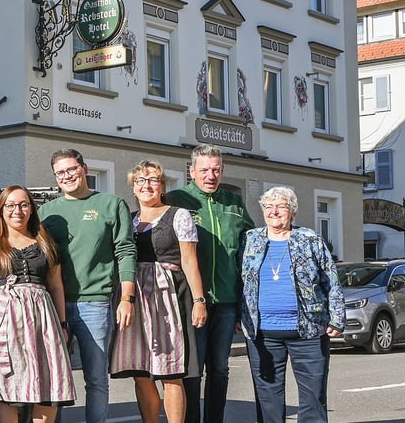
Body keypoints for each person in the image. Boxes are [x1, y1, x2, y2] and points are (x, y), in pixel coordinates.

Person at [37, 148, 136, 423]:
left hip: (95, 303)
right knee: (54, 377)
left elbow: (126, 252)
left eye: (71, 169)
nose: (67, 176)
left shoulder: (111, 204)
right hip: (54, 305)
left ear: (84, 168)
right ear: (56, 178)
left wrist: (127, 298)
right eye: (61, 173)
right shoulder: (47, 211)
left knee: (96, 379)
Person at [0, 185, 74, 423]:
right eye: (11, 205)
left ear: (32, 209)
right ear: (1, 210)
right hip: (3, 327)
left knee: (47, 386)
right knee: (6, 390)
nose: (18, 211)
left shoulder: (45, 243)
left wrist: (63, 324)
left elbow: (56, 286)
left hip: (43, 324)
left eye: (24, 204)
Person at [163, 144, 254, 423]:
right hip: (190, 300)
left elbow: (250, 247)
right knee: (192, 369)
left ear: (222, 170)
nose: (210, 175)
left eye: (216, 169)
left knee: (219, 368)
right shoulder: (176, 199)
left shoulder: (234, 203)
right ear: (191, 171)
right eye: (204, 170)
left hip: (226, 300)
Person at [111, 160, 207, 423]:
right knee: (141, 371)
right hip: (135, 296)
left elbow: (189, 260)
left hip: (169, 296)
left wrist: (199, 300)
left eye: (153, 180)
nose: (147, 185)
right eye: (140, 181)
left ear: (162, 186)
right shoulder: (128, 219)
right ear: (133, 188)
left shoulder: (179, 215)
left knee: (171, 372)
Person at [240, 186, 343, 423]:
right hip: (262, 333)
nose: (274, 211)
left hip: (308, 331)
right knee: (268, 399)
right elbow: (240, 281)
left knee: (313, 397)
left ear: (292, 212)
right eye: (269, 206)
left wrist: (337, 317)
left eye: (281, 206)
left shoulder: (309, 239)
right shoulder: (249, 239)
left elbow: (331, 279)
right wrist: (239, 316)